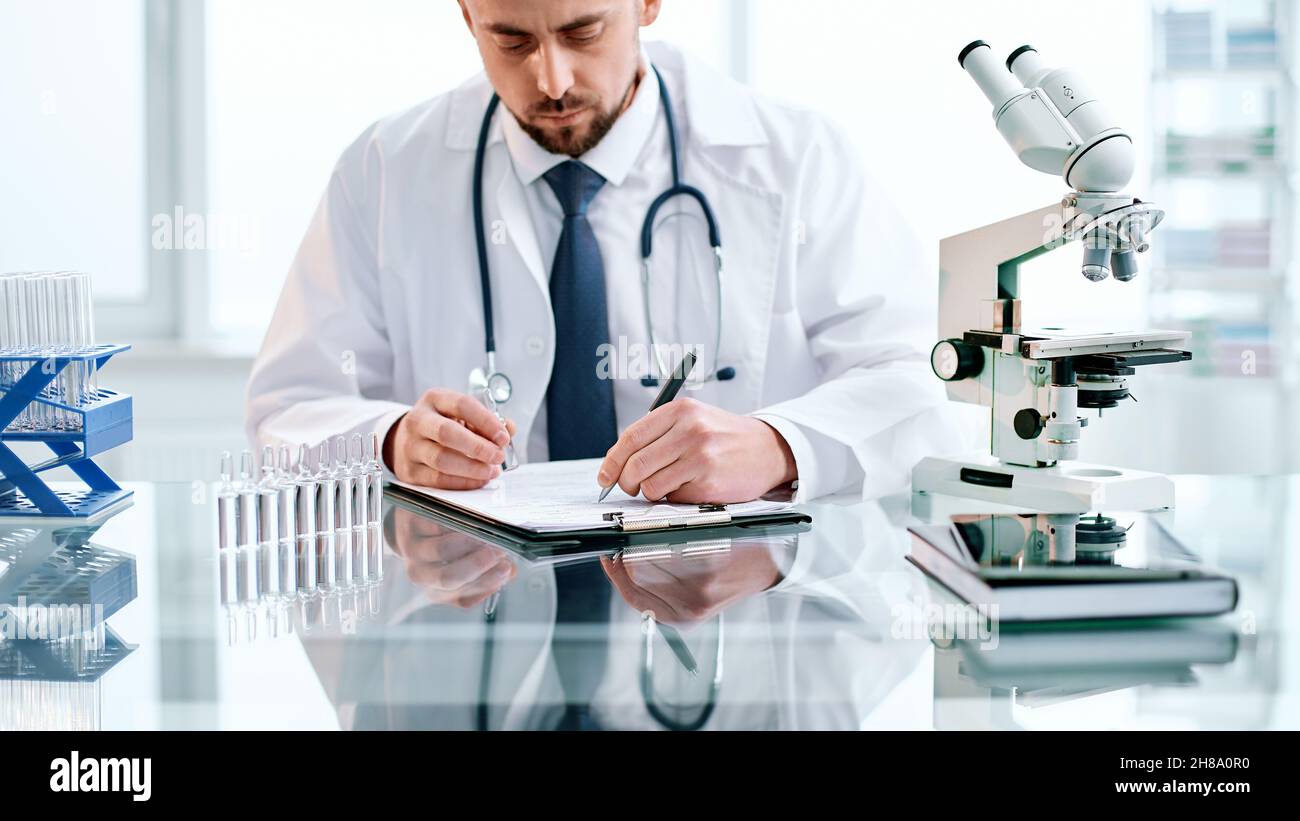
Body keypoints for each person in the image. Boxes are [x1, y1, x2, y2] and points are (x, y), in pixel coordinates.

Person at [245, 0, 949, 504]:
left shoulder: (795, 158)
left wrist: (780, 446)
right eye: (511, 40)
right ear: (465, 14)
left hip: (729, 619)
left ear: (647, 4)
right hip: (475, 612)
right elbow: (288, 408)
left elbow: (920, 380)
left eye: (582, 32)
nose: (551, 81)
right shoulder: (385, 170)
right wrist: (394, 438)